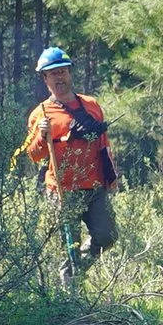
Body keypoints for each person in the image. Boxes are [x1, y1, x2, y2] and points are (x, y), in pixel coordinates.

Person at [22, 47, 119, 287]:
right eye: (53, 74)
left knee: (108, 236)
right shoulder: (41, 114)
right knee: (70, 245)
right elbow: (34, 156)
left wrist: (111, 176)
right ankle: (70, 293)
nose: (59, 78)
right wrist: (42, 136)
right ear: (44, 79)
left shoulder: (91, 105)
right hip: (64, 190)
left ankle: (75, 272)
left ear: (70, 73)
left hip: (95, 186)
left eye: (63, 72)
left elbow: (103, 143)